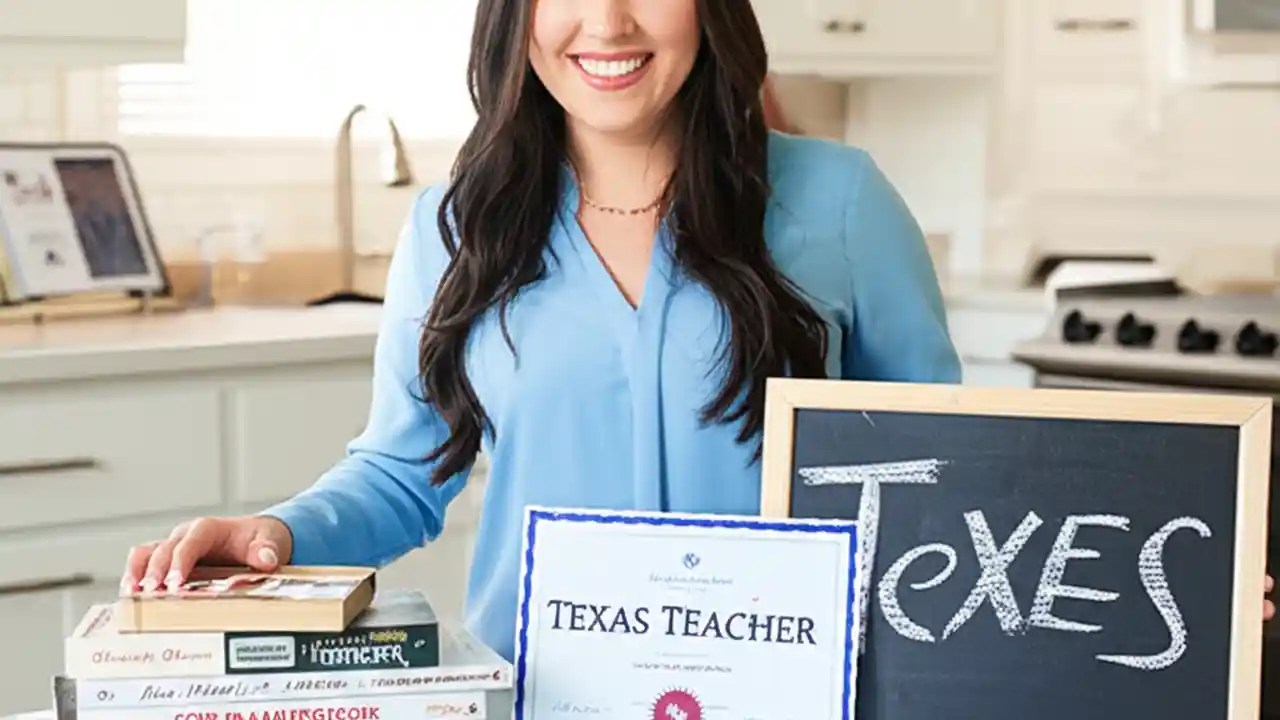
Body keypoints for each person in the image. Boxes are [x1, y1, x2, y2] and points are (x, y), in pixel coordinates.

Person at [119, 0, 1274, 662]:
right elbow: (405, 468)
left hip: (803, 691)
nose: (607, 22)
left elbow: (958, 474)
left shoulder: (840, 200)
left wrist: (1165, 570)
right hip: (549, 694)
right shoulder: (454, 225)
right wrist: (274, 532)